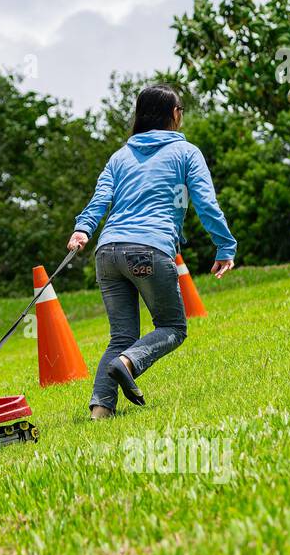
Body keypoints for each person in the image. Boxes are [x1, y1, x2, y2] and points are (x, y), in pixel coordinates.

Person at [67, 85, 236, 420]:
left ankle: (100, 413)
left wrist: (82, 229)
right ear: (174, 114)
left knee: (122, 336)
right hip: (149, 250)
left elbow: (101, 199)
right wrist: (225, 245)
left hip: (108, 252)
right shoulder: (186, 153)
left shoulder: (119, 157)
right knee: (173, 327)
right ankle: (129, 363)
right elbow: (205, 203)